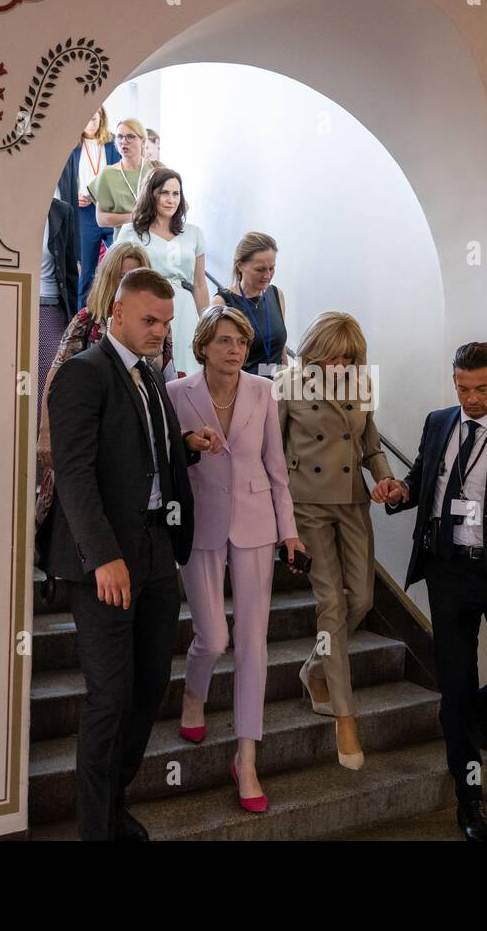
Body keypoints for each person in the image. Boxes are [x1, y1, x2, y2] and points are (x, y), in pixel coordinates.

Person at [42, 267, 220, 841]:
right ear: (116, 313)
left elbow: (150, 457)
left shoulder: (150, 376)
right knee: (109, 698)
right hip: (105, 562)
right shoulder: (81, 374)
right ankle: (94, 829)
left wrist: (185, 449)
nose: (159, 332)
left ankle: (115, 807)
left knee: (147, 693)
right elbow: (73, 474)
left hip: (154, 552)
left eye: (166, 324)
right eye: (149, 320)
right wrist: (102, 556)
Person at [379, 341, 487, 841]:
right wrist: (401, 492)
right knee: (455, 679)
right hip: (447, 571)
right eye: (462, 388)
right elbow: (420, 480)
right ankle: (470, 801)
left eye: (480, 389)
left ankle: (461, 715)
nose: (471, 398)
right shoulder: (439, 423)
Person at [166, 305, 305, 813]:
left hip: (255, 523)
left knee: (252, 642)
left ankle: (247, 758)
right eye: (224, 341)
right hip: (200, 522)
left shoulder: (264, 392)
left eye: (242, 343)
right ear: (203, 345)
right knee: (214, 637)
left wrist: (289, 531)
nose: (235, 350)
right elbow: (167, 460)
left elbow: (276, 466)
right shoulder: (177, 393)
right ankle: (193, 695)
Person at [273, 312, 403, 770]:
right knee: (331, 602)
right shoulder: (287, 383)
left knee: (363, 599)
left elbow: (371, 447)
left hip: (353, 503)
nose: (339, 364)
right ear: (314, 349)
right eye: (332, 355)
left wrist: (388, 481)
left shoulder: (362, 385)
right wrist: (278, 519)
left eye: (348, 357)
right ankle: (345, 719)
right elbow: (271, 450)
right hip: (306, 505)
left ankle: (313, 668)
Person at [35, 242, 175, 560]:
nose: (131, 281)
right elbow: (55, 377)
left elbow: (168, 383)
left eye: (139, 274)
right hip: (92, 438)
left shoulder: (160, 329)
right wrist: (45, 434)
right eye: (125, 275)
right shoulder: (87, 320)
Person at [111, 169, 208, 377]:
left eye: (176, 194)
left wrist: (207, 321)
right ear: (151, 194)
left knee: (188, 373)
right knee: (151, 370)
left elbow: (200, 283)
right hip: (147, 306)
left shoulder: (193, 233)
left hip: (184, 308)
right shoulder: (131, 232)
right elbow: (116, 278)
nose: (171, 199)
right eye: (165, 193)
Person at [62, 106, 121, 311]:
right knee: (86, 271)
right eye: (87, 118)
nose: (91, 123)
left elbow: (119, 177)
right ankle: (81, 320)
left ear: (102, 119)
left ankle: (110, 315)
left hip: (109, 209)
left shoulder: (113, 144)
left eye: (95, 118)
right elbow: (65, 179)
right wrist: (74, 195)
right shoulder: (72, 145)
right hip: (84, 213)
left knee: (117, 266)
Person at [213, 231, 288, 376]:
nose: (267, 275)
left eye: (271, 268)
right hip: (243, 388)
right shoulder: (222, 302)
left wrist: (289, 385)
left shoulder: (276, 294)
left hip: (277, 387)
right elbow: (214, 358)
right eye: (260, 269)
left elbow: (280, 347)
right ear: (240, 265)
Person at [38, 192, 79, 431]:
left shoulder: (61, 211)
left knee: (49, 382)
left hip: (51, 306)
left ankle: (45, 455)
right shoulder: (10, 204)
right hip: (16, 302)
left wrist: (72, 320)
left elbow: (70, 271)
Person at [88, 116, 162, 240]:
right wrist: (136, 217)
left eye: (130, 136)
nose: (124, 141)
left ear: (143, 141)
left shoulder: (156, 169)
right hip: (124, 245)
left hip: (156, 240)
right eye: (119, 137)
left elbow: (181, 205)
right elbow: (101, 219)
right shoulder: (108, 174)